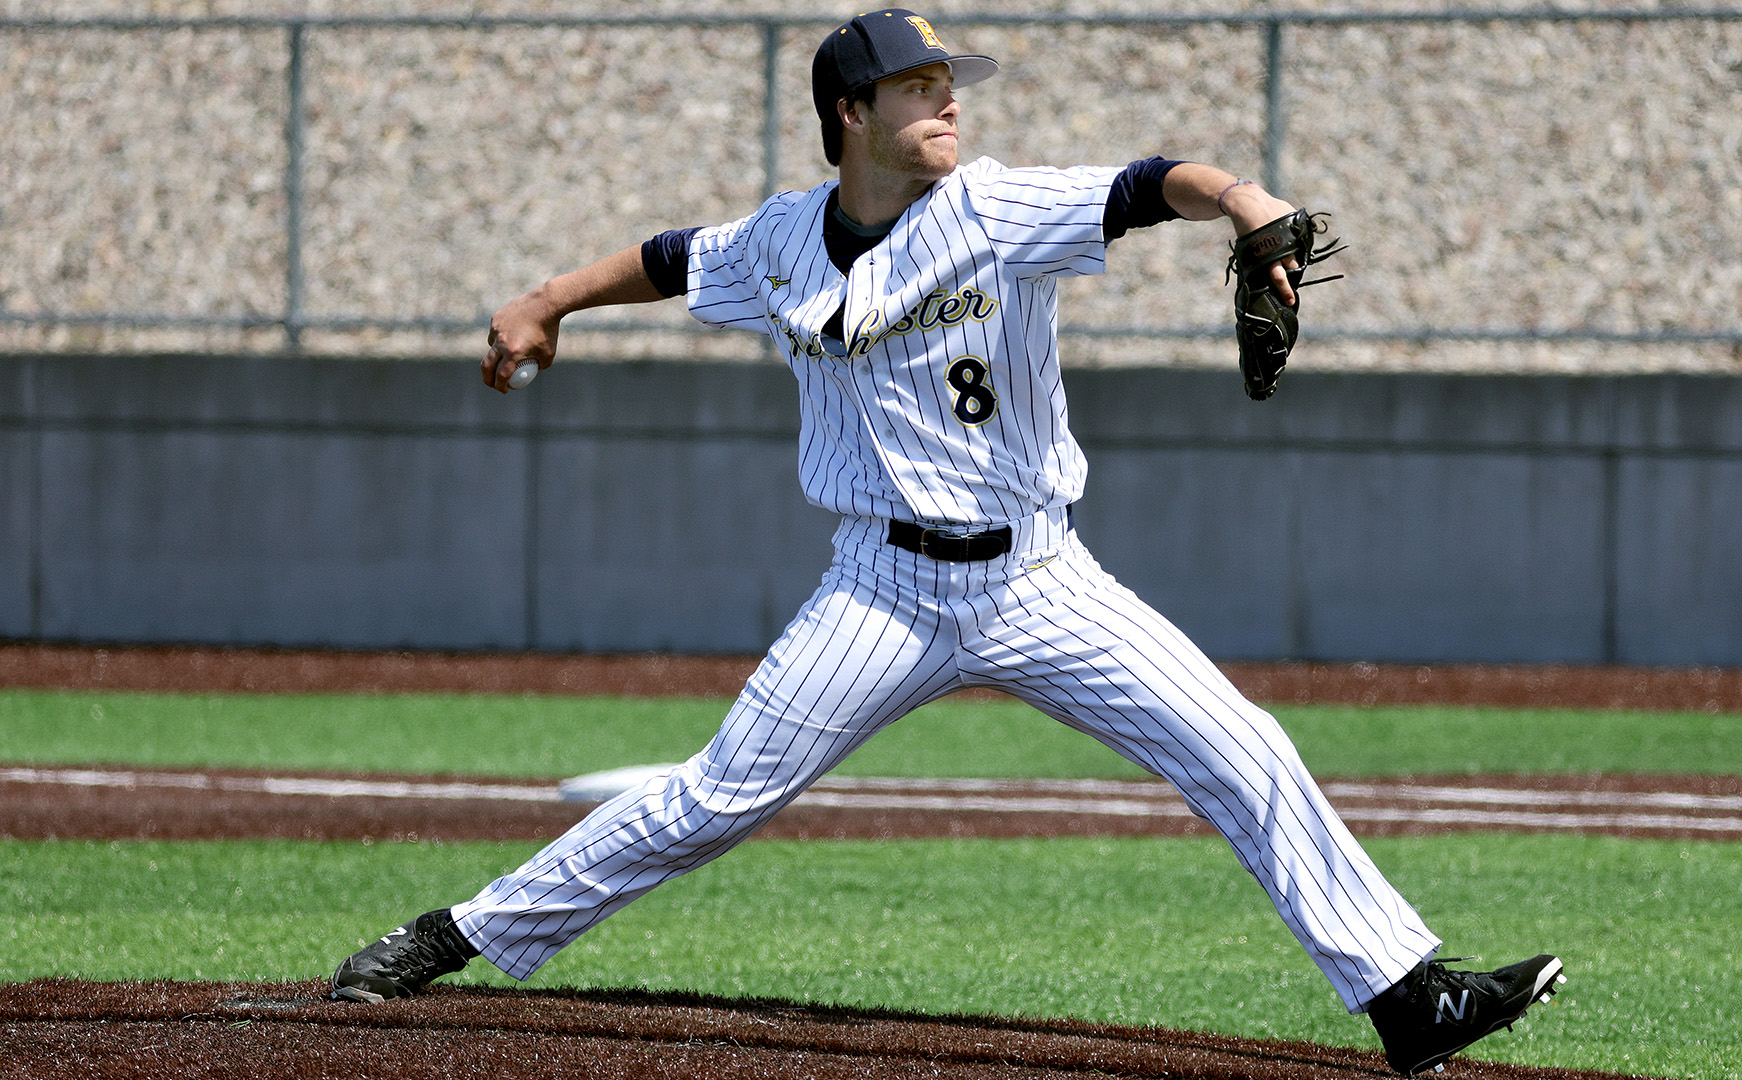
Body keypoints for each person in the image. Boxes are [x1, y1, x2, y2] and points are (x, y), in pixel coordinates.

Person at [330, 10, 1563, 1075]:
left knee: (1242, 749)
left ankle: (1410, 1001)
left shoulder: (996, 208)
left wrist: (1245, 203)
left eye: (949, 83)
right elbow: (668, 260)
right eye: (921, 88)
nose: (949, 101)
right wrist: (545, 300)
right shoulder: (778, 242)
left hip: (1040, 577)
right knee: (711, 797)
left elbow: (1149, 183)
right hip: (879, 585)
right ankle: (458, 935)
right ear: (851, 111)